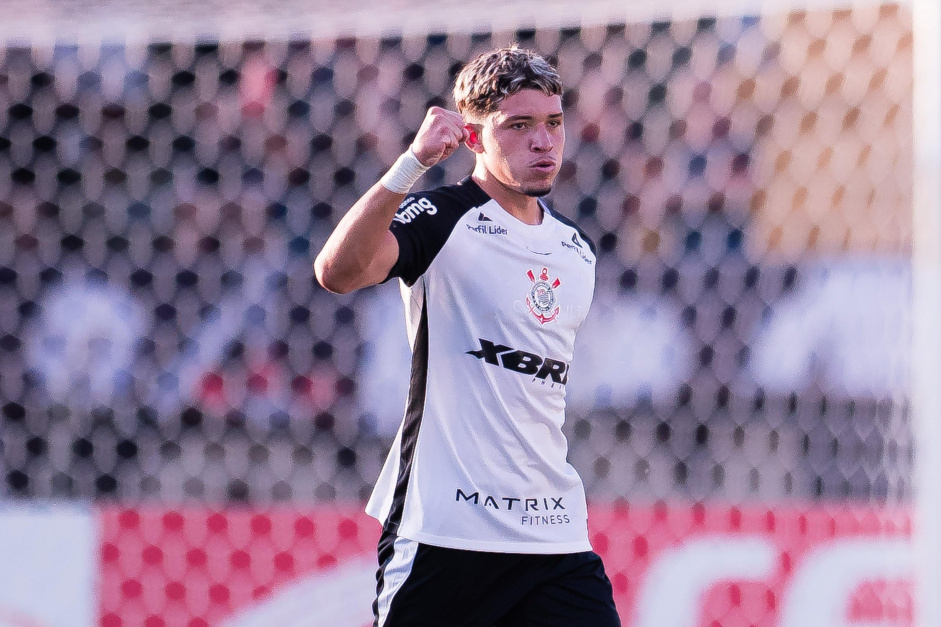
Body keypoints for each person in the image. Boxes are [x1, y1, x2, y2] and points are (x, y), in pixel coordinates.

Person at [314, 46, 620, 627]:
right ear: (475, 139)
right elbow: (337, 272)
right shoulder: (440, 216)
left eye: (554, 123)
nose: (544, 142)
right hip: (447, 534)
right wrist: (412, 163)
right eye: (520, 126)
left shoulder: (575, 249)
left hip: (552, 538)